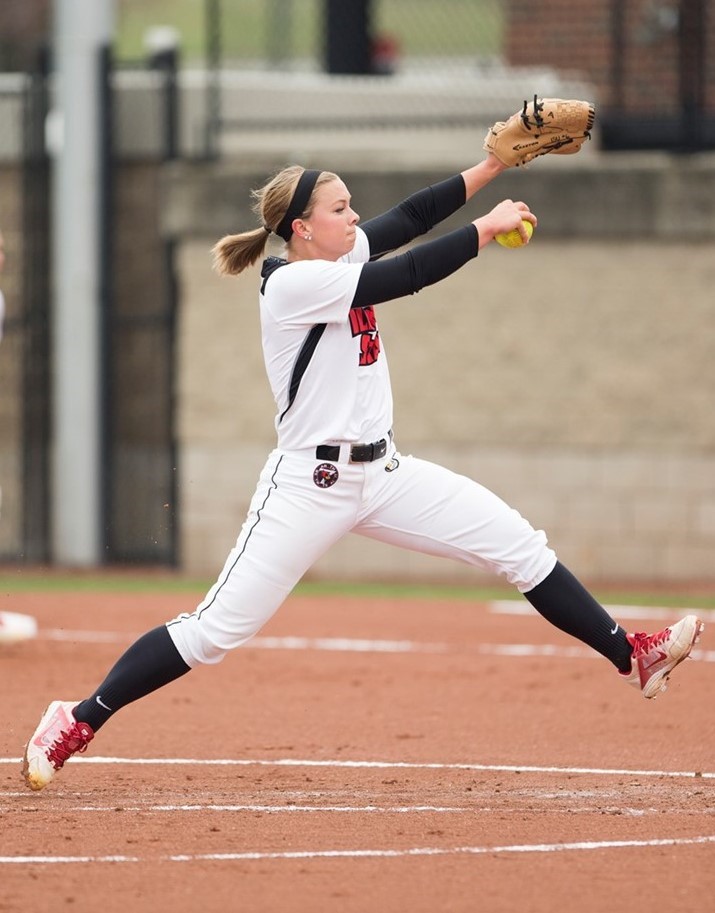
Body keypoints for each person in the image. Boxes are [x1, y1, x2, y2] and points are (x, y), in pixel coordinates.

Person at [22, 139, 703, 792]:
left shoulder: (336, 255)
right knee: (212, 631)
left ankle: (632, 655)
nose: (353, 217)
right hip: (307, 487)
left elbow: (409, 217)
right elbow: (402, 274)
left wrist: (490, 165)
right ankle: (76, 719)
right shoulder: (292, 284)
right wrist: (488, 230)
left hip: (384, 476)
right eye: (339, 208)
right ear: (301, 227)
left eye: (350, 207)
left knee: (518, 546)